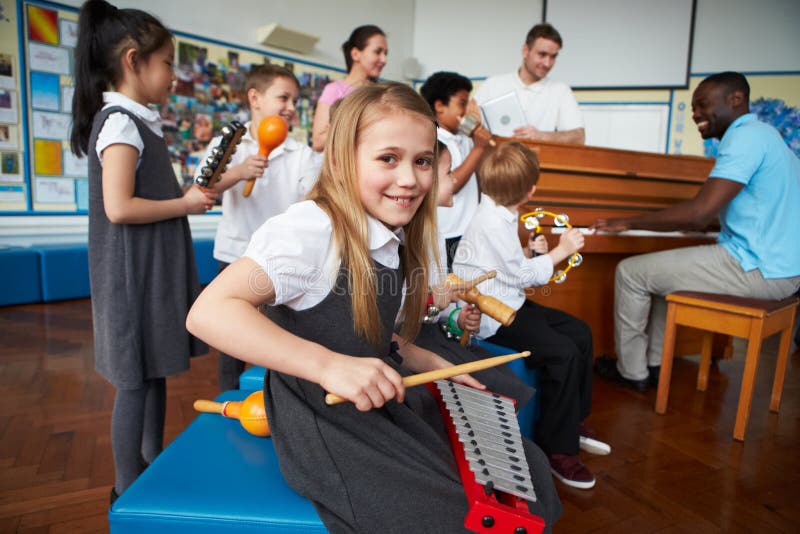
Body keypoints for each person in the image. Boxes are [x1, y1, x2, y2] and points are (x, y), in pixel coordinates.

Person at [186, 83, 562, 532]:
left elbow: (369, 328)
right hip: (325, 415)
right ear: (345, 160)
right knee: (454, 513)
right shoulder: (311, 229)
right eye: (389, 158)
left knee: (524, 472)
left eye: (422, 161)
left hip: (375, 391)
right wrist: (328, 366)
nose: (409, 178)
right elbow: (209, 312)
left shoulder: (391, 231)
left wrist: (426, 358)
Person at [69, 0, 215, 502]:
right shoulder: (120, 123)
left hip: (149, 270)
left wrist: (192, 196)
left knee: (152, 373)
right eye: (169, 62)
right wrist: (185, 204)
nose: (174, 74)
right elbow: (120, 208)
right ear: (134, 61)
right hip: (131, 277)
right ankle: (126, 489)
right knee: (134, 381)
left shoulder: (138, 120)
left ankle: (150, 468)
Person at [593, 71, 800, 391]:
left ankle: (631, 372)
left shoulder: (743, 137)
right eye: (692, 108)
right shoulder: (768, 135)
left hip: (760, 269)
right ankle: (654, 364)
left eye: (702, 105)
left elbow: (698, 214)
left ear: (736, 99)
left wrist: (629, 221)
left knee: (631, 272)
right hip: (782, 268)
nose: (696, 115)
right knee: (660, 275)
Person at [454, 142, 609, 490]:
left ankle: (572, 420)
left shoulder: (498, 211)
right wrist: (561, 251)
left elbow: (507, 265)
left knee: (580, 333)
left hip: (510, 298)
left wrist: (528, 251)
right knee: (563, 352)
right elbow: (524, 276)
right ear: (530, 190)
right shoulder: (491, 221)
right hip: (494, 315)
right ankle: (558, 450)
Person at [194, 64, 321, 390]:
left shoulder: (301, 153)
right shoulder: (229, 141)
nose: (291, 107)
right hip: (235, 251)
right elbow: (203, 188)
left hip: (283, 260)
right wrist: (240, 171)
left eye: (295, 99)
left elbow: (314, 200)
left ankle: (278, 398)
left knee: (279, 334)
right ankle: (228, 396)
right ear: (255, 98)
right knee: (230, 337)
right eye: (284, 97)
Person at [414, 141, 536, 409]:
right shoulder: (409, 237)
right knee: (493, 384)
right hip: (415, 342)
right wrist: (434, 300)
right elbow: (410, 311)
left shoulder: (435, 233)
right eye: (449, 173)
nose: (456, 179)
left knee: (503, 380)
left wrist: (458, 318)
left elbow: (439, 311)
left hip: (432, 334)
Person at [420, 71, 492, 270]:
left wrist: (476, 134)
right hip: (448, 232)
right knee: (450, 287)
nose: (466, 110)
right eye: (462, 103)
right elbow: (451, 185)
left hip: (466, 229)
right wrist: (478, 148)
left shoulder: (462, 136)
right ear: (439, 106)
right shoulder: (433, 139)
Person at [473, 23, 584, 145]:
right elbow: (466, 123)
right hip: (494, 160)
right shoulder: (493, 84)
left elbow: (578, 137)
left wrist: (540, 136)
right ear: (525, 51)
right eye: (542, 54)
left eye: (553, 57)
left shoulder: (560, 91)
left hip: (537, 161)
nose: (547, 63)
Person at [310, 25, 387, 151]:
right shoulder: (335, 90)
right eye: (377, 52)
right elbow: (318, 142)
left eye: (385, 53)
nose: (384, 60)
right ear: (356, 54)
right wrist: (357, 127)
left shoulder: (381, 93)